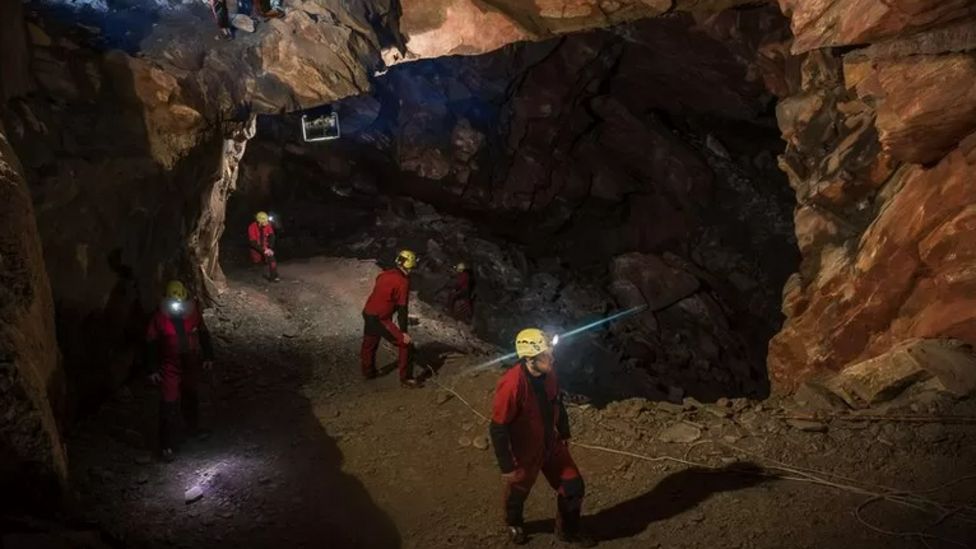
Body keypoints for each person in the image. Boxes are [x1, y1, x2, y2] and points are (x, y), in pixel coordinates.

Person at [489, 329, 596, 546]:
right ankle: (514, 523)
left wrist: (563, 432)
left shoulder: (549, 374)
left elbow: (557, 402)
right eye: (546, 355)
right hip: (525, 450)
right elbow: (498, 427)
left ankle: (567, 531)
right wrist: (507, 466)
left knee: (573, 487)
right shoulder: (511, 384)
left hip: (550, 443)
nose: (552, 358)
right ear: (529, 359)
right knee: (518, 491)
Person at [146, 280, 215, 462]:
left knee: (191, 394)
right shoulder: (160, 317)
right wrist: (152, 368)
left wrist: (208, 356)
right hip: (171, 364)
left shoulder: (192, 312)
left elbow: (202, 333)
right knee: (168, 402)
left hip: (189, 361)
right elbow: (151, 343)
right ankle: (166, 445)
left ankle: (192, 428)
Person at [360, 249, 421, 388]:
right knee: (405, 344)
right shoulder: (403, 281)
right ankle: (406, 379)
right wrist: (404, 332)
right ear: (410, 265)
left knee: (369, 344)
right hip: (381, 319)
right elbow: (402, 309)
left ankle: (368, 372)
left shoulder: (384, 274)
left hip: (368, 313)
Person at [248, 211, 279, 282]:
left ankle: (274, 276)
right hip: (256, 247)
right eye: (263, 223)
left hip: (265, 245)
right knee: (257, 261)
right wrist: (263, 250)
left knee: (271, 258)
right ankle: (253, 275)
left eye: (266, 222)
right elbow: (253, 242)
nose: (265, 224)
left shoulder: (267, 225)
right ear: (259, 222)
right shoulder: (252, 227)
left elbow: (272, 236)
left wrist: (270, 248)